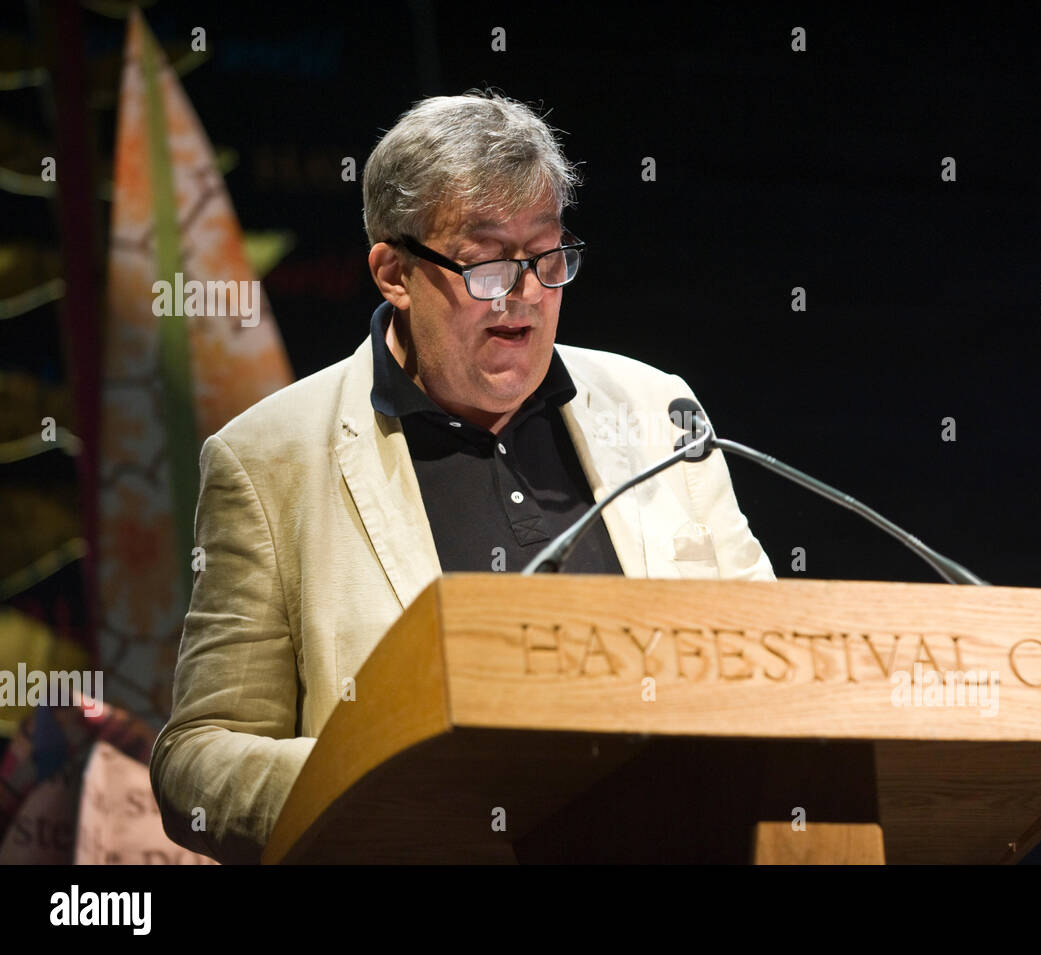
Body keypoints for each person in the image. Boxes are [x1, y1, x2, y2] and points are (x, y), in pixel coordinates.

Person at [149, 91, 775, 864]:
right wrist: (396, 792)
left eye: (548, 258)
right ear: (393, 271)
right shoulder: (271, 458)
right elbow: (198, 761)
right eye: (484, 264)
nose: (525, 296)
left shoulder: (658, 413)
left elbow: (771, 665)